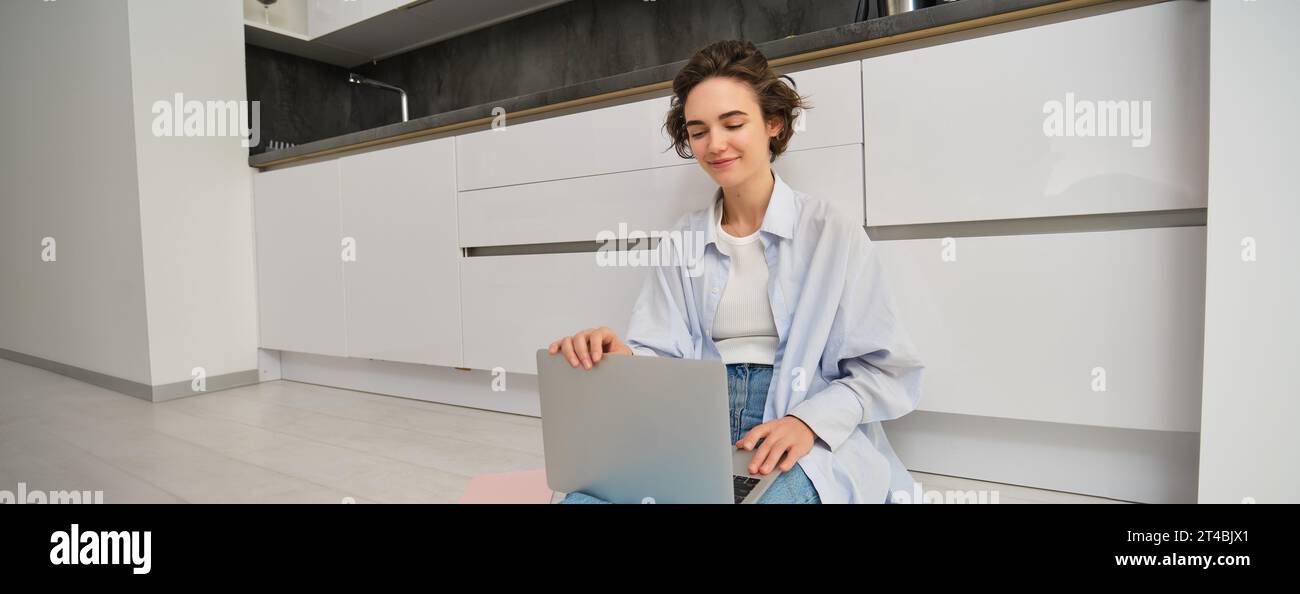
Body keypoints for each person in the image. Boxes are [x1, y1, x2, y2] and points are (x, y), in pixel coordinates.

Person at [547, 39, 924, 504]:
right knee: (580, 501)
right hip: (692, 428)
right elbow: (659, 357)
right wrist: (617, 356)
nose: (715, 144)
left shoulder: (832, 233)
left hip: (798, 431)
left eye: (733, 123)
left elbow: (885, 372)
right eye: (699, 130)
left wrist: (807, 423)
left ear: (773, 123)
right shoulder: (680, 244)